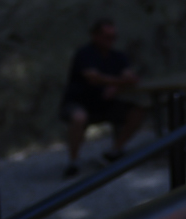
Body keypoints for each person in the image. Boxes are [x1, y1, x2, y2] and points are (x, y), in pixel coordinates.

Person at [61, 19, 144, 177]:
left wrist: (116, 86)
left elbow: (130, 77)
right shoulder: (85, 54)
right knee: (79, 117)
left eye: (113, 37)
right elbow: (94, 78)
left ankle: (115, 151)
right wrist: (119, 82)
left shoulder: (117, 56)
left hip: (104, 104)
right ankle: (73, 162)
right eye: (107, 37)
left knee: (137, 111)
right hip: (79, 102)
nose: (110, 41)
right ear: (95, 36)